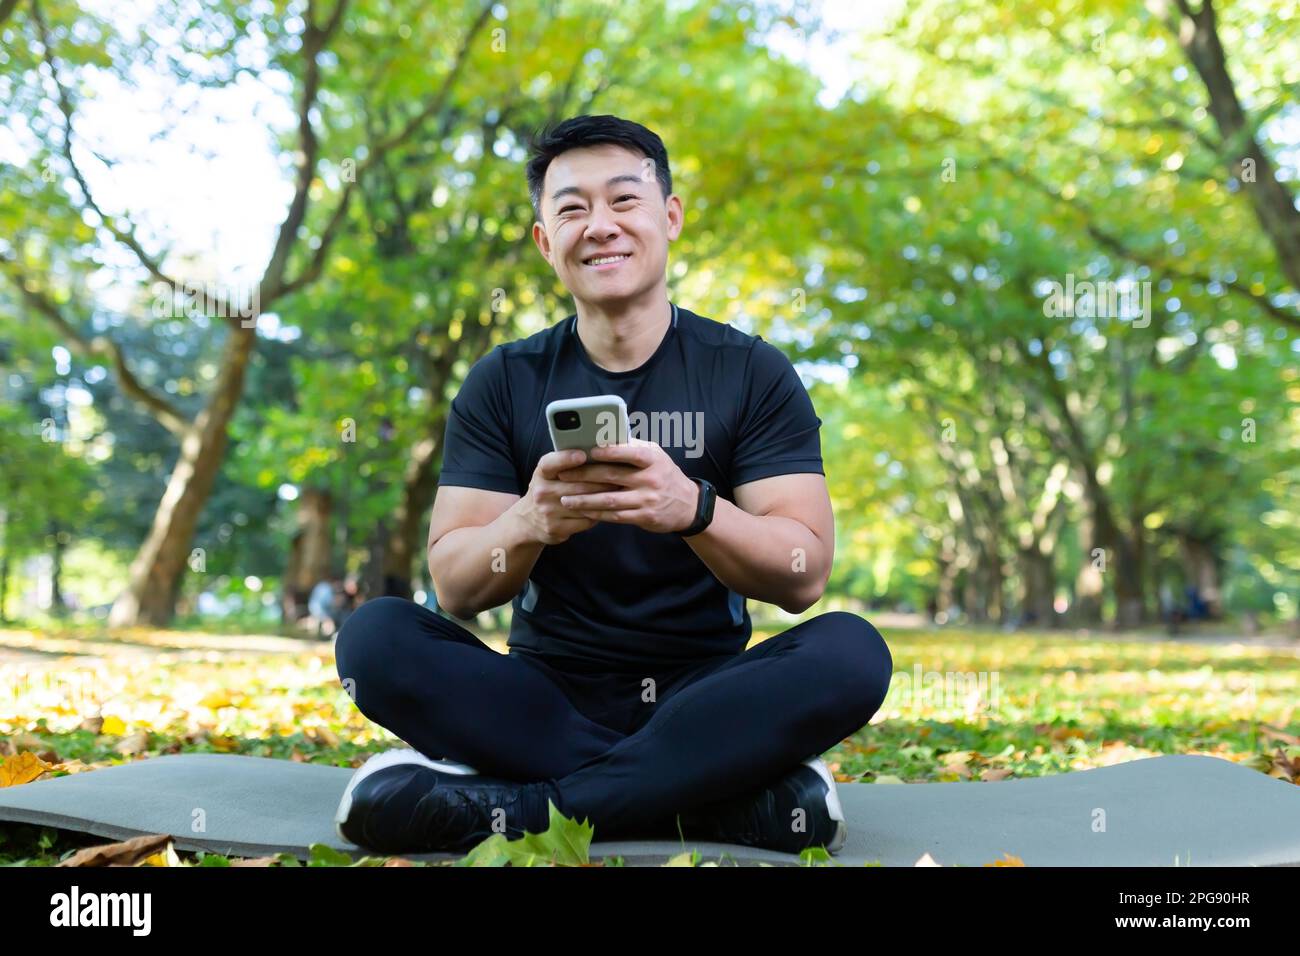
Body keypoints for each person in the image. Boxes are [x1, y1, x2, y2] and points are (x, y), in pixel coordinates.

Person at [334, 115, 893, 856]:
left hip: (708, 700)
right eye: (571, 209)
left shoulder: (751, 371)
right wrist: (528, 523)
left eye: (624, 200)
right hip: (543, 700)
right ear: (544, 242)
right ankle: (709, 798)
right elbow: (459, 588)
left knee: (854, 653)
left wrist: (692, 510)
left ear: (670, 216)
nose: (600, 226)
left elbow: (802, 574)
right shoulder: (503, 381)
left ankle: (527, 811)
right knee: (374, 637)